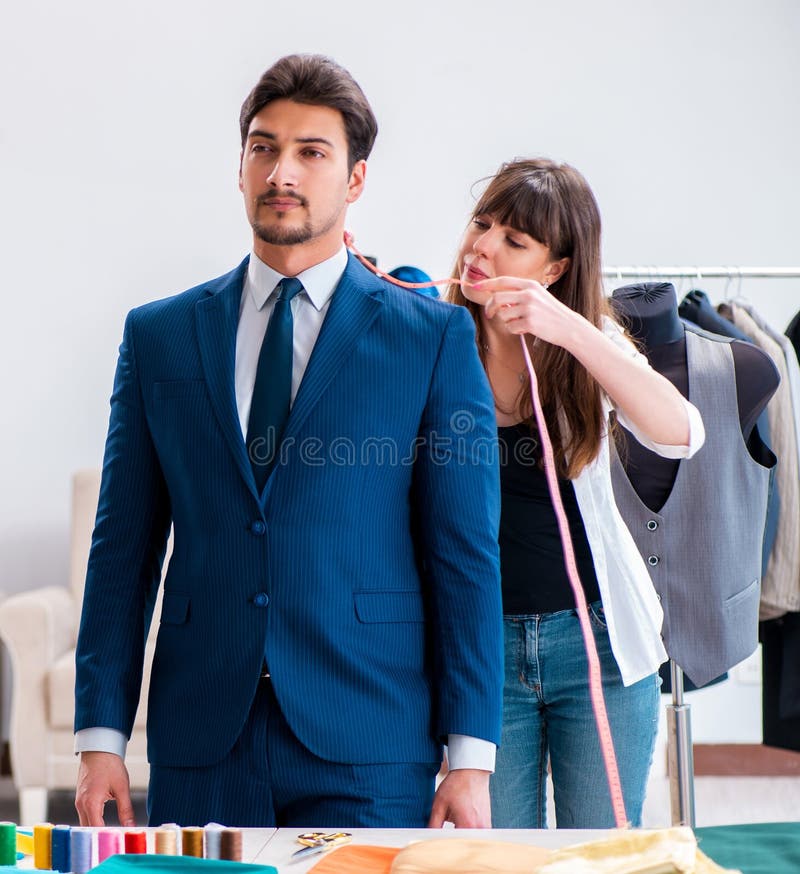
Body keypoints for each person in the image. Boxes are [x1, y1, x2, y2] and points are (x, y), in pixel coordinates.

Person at [74, 54, 503, 830]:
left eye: (312, 152)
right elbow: (122, 550)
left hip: (370, 735)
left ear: (356, 179)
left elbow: (463, 554)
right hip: (204, 736)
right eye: (264, 148)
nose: (283, 172)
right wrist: (100, 737)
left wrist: (469, 757)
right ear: (239, 168)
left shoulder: (433, 339)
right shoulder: (159, 337)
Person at [446, 158, 705, 828]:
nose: (484, 247)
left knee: (603, 855)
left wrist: (569, 328)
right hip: (483, 657)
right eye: (483, 223)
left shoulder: (587, 344)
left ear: (554, 269)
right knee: (498, 860)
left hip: (600, 647)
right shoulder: (438, 339)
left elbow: (682, 434)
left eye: (515, 241)